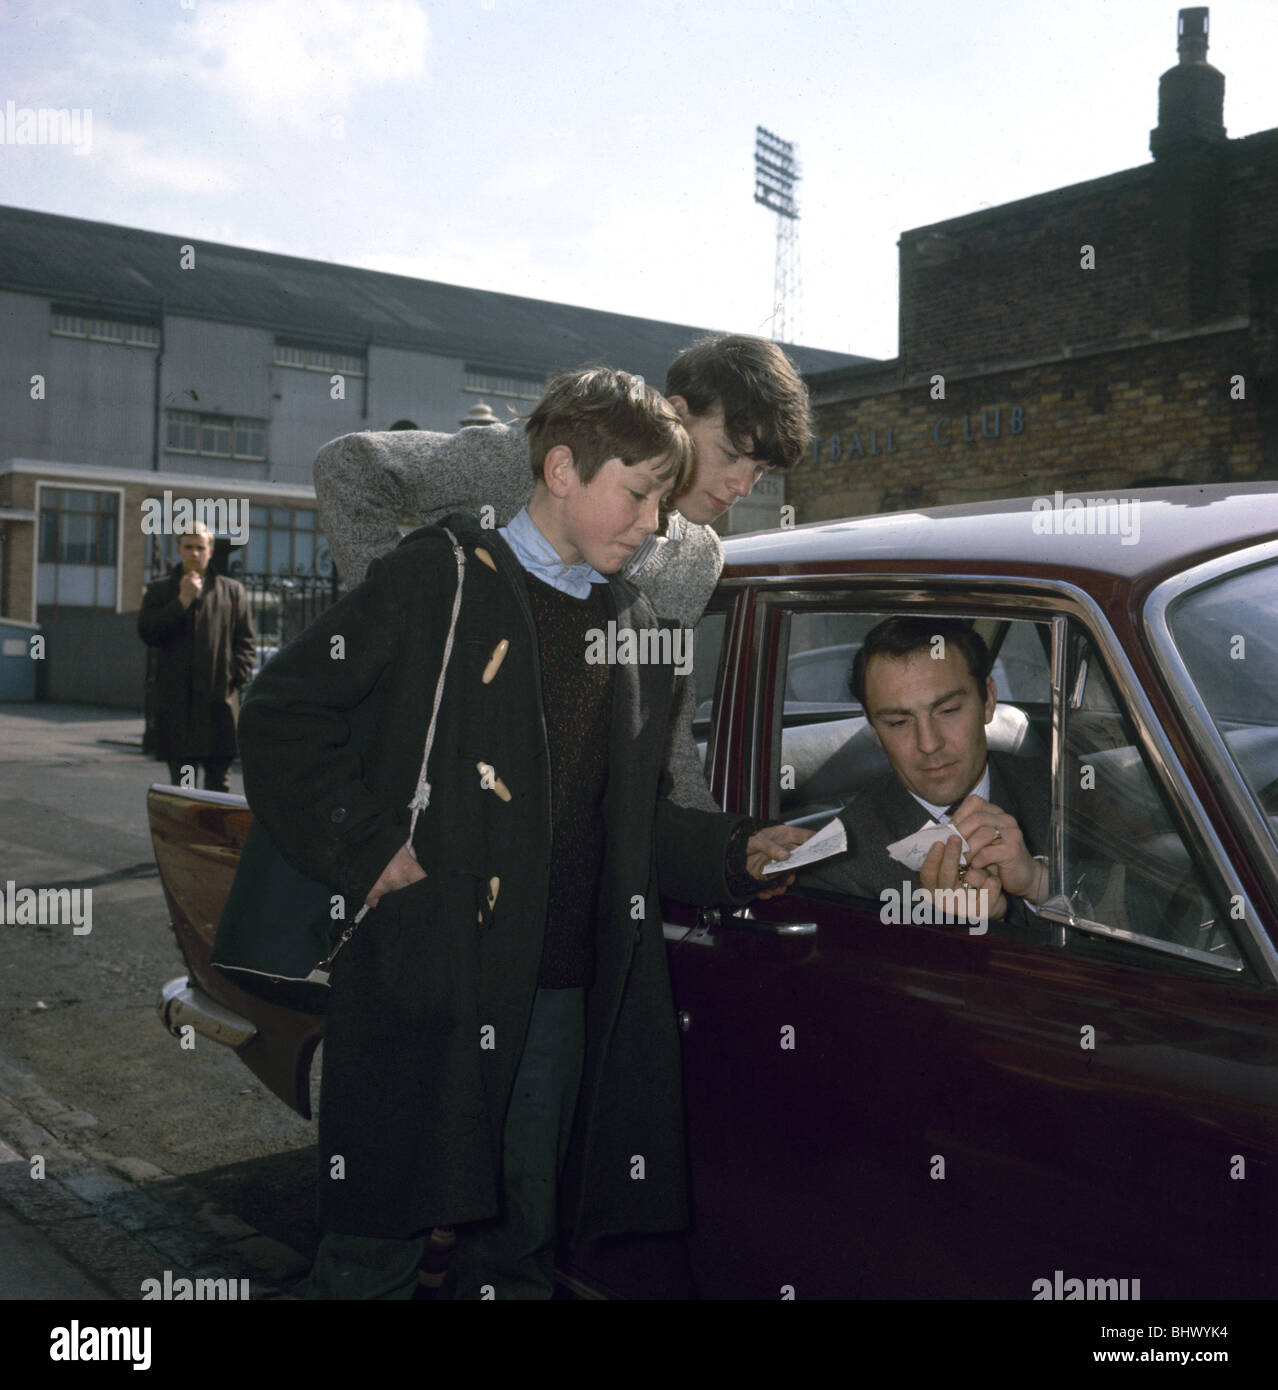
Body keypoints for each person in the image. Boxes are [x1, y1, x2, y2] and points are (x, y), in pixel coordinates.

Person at [237, 369, 805, 1300]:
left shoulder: (633, 625)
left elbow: (631, 822)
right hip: (428, 973)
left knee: (516, 1251)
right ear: (560, 470)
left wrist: (735, 851)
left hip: (555, 991)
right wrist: (366, 845)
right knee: (374, 1245)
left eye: (664, 499)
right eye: (639, 493)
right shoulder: (439, 578)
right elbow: (284, 713)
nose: (657, 523)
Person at [312, 332, 812, 812]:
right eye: (732, 453)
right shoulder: (536, 461)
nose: (743, 484)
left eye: (760, 470)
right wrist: (411, 637)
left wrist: (718, 844)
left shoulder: (698, 557)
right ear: (679, 414)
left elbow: (664, 731)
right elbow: (348, 466)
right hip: (438, 806)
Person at [801, 617, 1050, 937]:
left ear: (987, 700)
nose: (929, 744)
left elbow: (1129, 903)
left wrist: (1039, 885)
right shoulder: (837, 867)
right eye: (898, 722)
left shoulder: (1063, 794)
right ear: (874, 728)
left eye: (947, 711)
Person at [137, 522, 255, 793]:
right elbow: (148, 633)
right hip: (178, 712)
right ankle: (186, 838)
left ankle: (213, 838)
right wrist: (181, 602)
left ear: (210, 551)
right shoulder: (160, 590)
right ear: (179, 550)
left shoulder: (232, 591)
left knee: (218, 790)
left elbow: (246, 642)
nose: (194, 553)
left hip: (218, 709)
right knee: (184, 790)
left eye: (200, 547)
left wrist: (232, 676)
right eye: (188, 547)